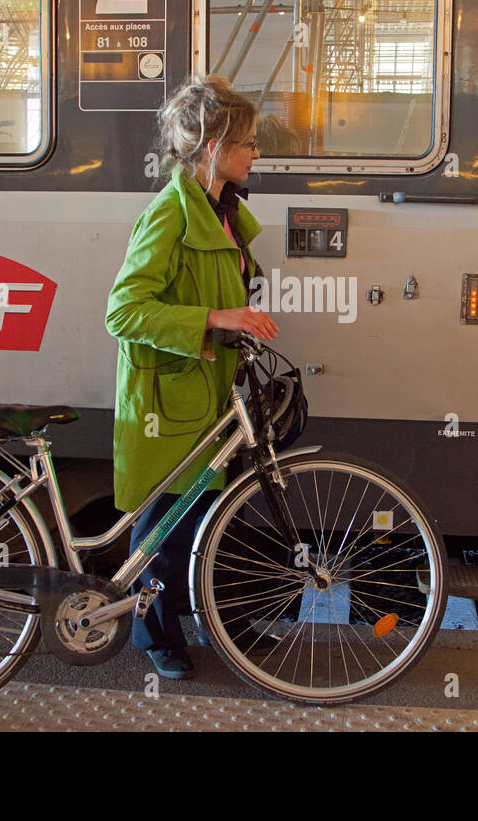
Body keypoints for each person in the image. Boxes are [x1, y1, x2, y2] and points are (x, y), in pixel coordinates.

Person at [105, 73, 279, 679]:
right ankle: (152, 636)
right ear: (214, 148)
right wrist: (216, 317)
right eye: (250, 142)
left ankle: (215, 619)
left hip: (204, 391)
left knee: (203, 519)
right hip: (166, 400)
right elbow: (123, 311)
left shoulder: (219, 211)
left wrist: (234, 323)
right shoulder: (170, 214)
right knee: (160, 528)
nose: (257, 153)